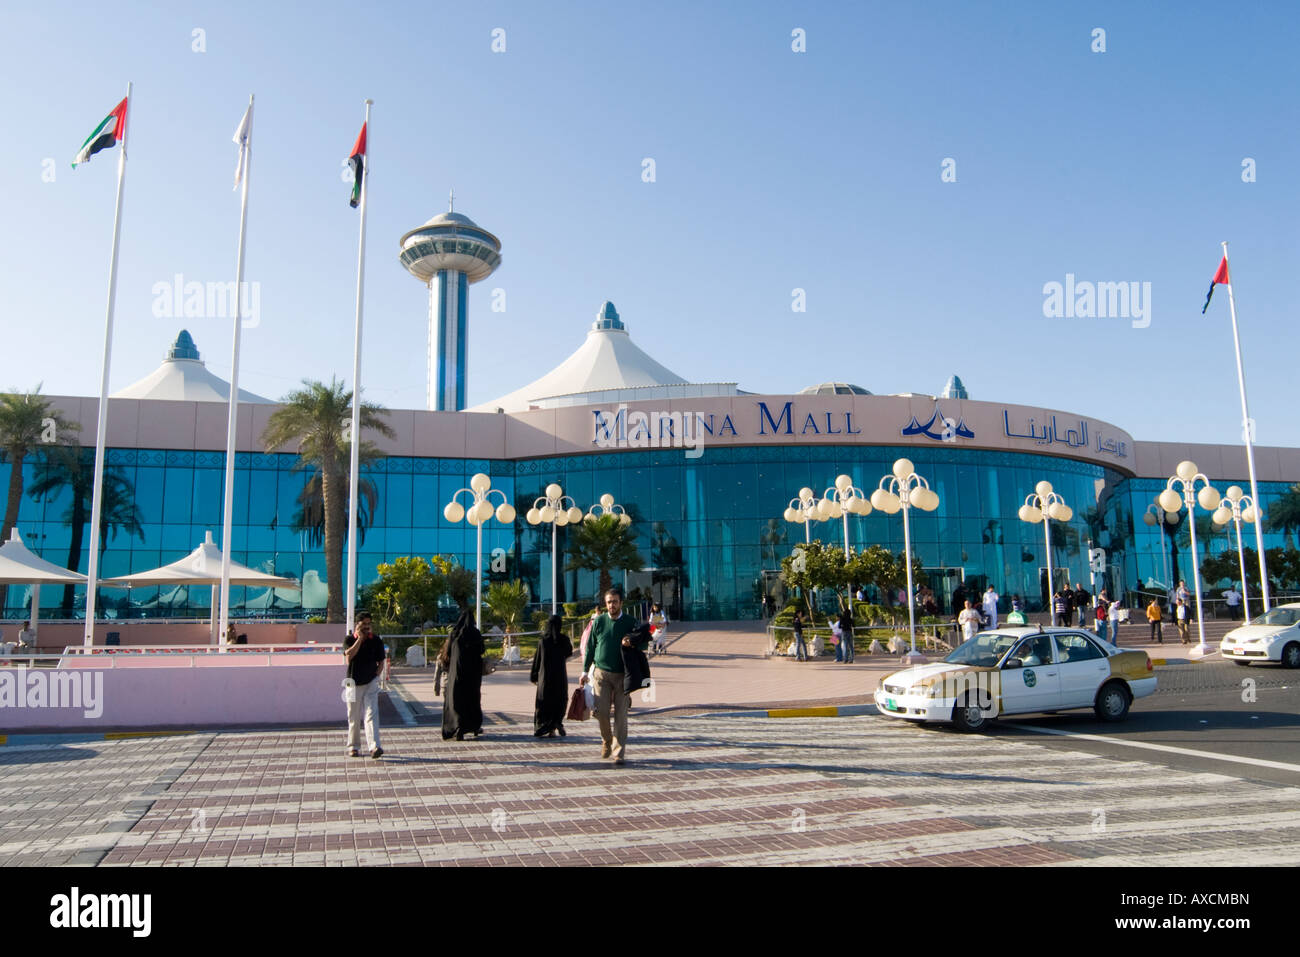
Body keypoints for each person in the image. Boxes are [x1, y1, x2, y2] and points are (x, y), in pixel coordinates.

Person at [579, 587, 648, 766]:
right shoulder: (599, 622)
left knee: (620, 715)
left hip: (622, 676)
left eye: (615, 601)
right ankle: (606, 740)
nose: (611, 605)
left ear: (621, 603)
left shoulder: (630, 622)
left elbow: (642, 644)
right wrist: (585, 671)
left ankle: (619, 753)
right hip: (601, 673)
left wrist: (631, 642)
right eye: (609, 602)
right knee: (601, 712)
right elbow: (591, 647)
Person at [343, 613, 387, 759]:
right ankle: (353, 746)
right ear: (357, 625)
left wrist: (376, 677)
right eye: (364, 624)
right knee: (353, 716)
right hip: (352, 681)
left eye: (369, 624)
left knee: (371, 715)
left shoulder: (376, 640)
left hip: (370, 682)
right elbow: (348, 657)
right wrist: (359, 639)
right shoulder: (349, 639)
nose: (367, 627)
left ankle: (374, 747)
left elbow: (381, 662)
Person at [442, 609, 484, 741]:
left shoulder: (454, 634)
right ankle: (473, 726)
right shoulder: (476, 634)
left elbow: (447, 653)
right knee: (472, 700)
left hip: (457, 673)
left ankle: (457, 727)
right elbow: (482, 650)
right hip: (473, 675)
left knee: (456, 700)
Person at [531, 614, 572, 738]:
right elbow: (569, 652)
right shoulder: (564, 640)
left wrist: (534, 675)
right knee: (559, 700)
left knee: (545, 702)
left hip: (545, 678)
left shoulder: (543, 641)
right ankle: (556, 723)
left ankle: (545, 727)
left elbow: (537, 660)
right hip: (560, 677)